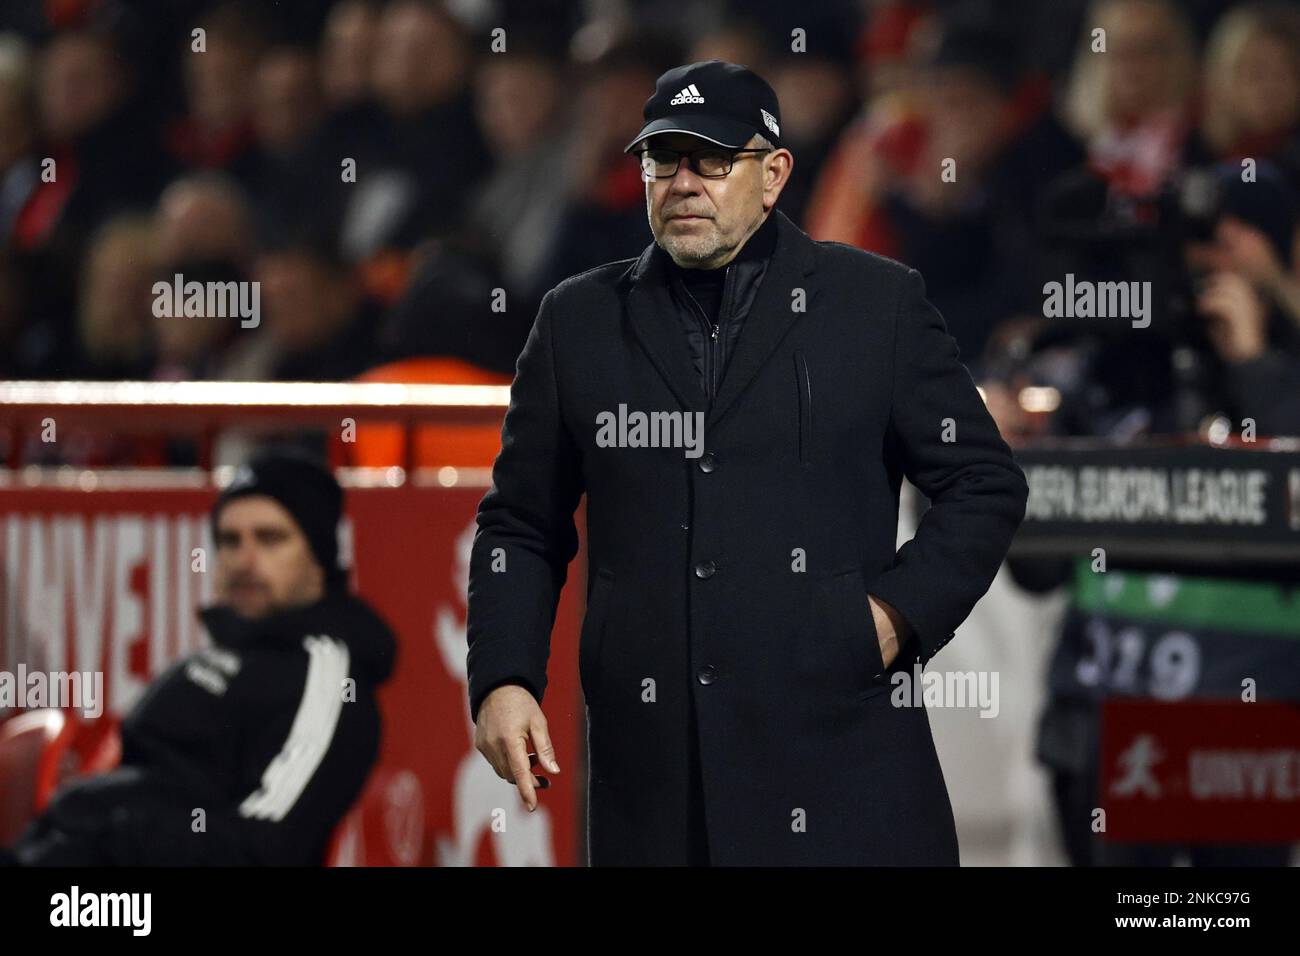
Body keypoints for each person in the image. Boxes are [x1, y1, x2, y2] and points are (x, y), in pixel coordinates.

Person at [466, 59, 1029, 866]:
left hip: (841, 759)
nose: (684, 181)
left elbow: (984, 483)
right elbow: (521, 522)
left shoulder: (877, 305)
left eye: (712, 160)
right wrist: (505, 677)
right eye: (666, 160)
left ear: (773, 175)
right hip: (656, 783)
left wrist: (890, 619)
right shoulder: (577, 321)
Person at [4, 449, 397, 865]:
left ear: (319, 559)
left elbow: (264, 845)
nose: (243, 561)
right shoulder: (234, 650)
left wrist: (114, 829)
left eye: (270, 538)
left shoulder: (327, 680)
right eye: (230, 541)